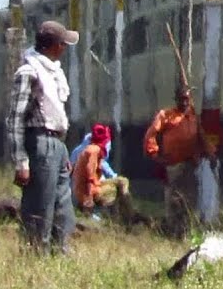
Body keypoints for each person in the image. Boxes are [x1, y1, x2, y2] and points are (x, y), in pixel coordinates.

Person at [7, 19, 79, 254]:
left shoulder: (54, 72)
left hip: (56, 145)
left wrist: (62, 151)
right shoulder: (28, 72)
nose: (66, 48)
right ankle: (35, 258)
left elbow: (56, 113)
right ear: (55, 45)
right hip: (39, 143)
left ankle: (60, 258)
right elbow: (15, 119)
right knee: (40, 210)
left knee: (62, 210)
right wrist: (21, 161)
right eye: (64, 43)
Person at [143, 84, 215, 238]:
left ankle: (185, 232)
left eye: (187, 100)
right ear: (176, 100)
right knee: (173, 199)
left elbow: (201, 137)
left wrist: (211, 154)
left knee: (189, 201)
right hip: (173, 165)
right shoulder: (165, 115)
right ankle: (171, 231)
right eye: (181, 99)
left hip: (190, 165)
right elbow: (151, 134)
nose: (184, 103)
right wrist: (155, 154)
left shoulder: (193, 117)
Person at [72, 123, 134, 223]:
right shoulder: (94, 151)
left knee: (121, 181)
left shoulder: (86, 149)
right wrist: (88, 200)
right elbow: (89, 174)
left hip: (81, 190)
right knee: (122, 183)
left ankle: (125, 216)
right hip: (87, 193)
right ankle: (129, 217)